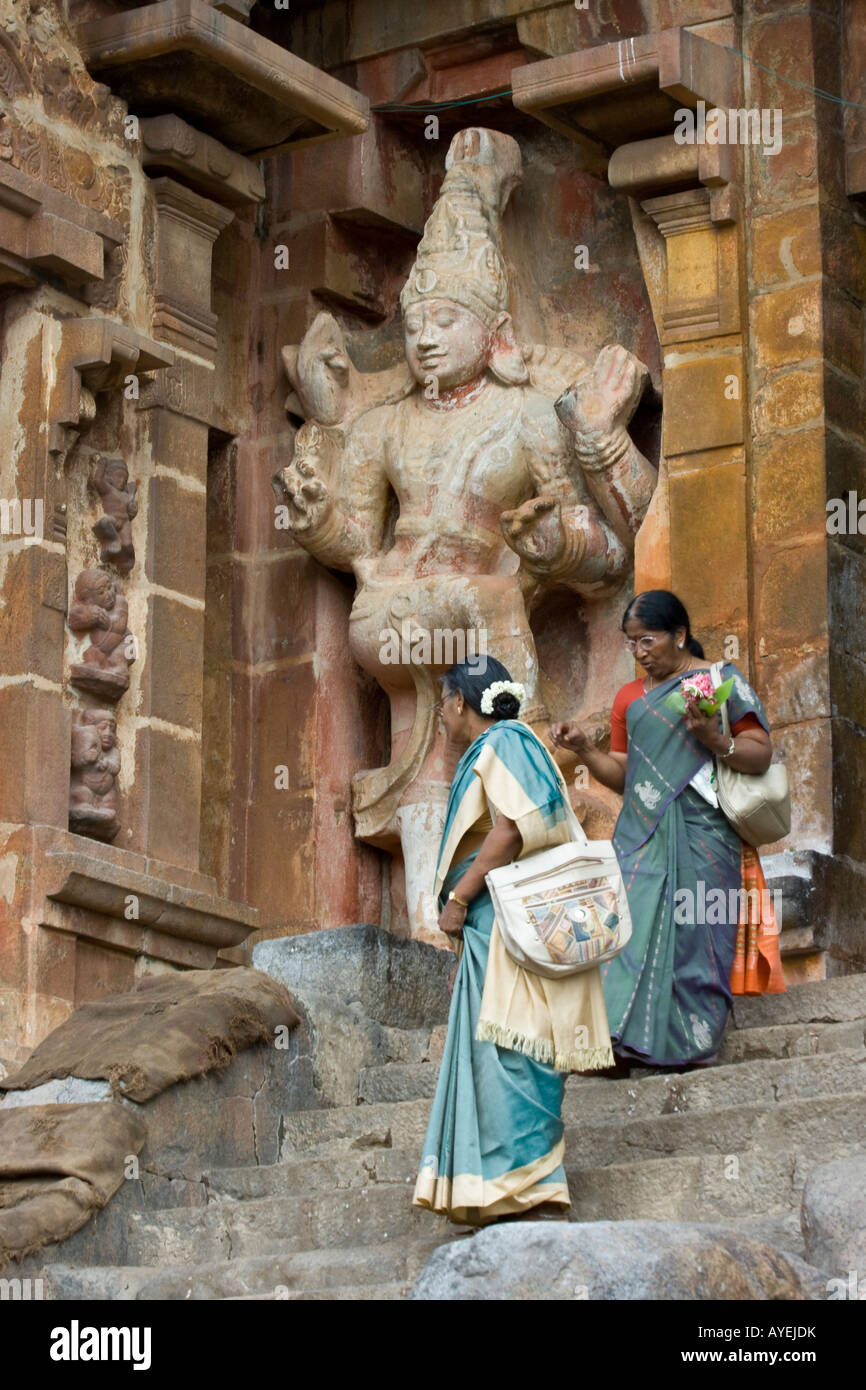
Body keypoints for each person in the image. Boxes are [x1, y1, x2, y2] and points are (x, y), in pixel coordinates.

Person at [413, 657, 613, 1225]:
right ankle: (500, 1190)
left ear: (458, 702)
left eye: (440, 705)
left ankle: (530, 1190)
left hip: (505, 925)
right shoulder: (502, 745)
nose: (439, 719)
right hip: (494, 927)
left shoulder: (504, 740)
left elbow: (516, 825)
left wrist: (458, 898)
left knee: (515, 1047)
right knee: (500, 1047)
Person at [551, 590, 783, 1071]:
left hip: (706, 833)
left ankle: (690, 1045)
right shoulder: (631, 698)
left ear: (679, 635)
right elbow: (625, 774)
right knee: (626, 931)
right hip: (641, 836)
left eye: (647, 640)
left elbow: (760, 752)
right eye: (631, 643)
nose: (639, 653)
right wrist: (584, 751)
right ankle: (616, 1041)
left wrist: (715, 741)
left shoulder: (718, 681)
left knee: (698, 932)